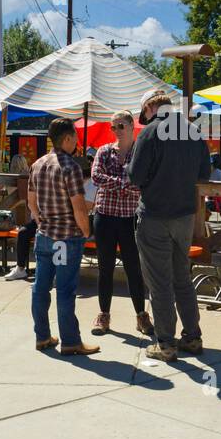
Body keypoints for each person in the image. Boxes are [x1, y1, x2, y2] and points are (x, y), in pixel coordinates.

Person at [128, 90, 211, 362]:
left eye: (144, 114)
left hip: (154, 215)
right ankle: (193, 336)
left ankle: (165, 343)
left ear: (150, 106)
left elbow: (136, 175)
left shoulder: (149, 133)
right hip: (185, 216)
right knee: (182, 278)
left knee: (159, 282)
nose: (144, 118)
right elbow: (204, 174)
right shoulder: (192, 131)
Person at [28, 118, 97, 355]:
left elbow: (31, 202)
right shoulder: (70, 167)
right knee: (65, 290)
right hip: (67, 237)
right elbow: (79, 206)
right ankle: (70, 341)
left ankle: (42, 336)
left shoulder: (37, 164)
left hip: (45, 235)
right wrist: (86, 230)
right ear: (67, 139)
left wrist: (40, 219)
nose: (77, 141)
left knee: (40, 288)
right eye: (75, 137)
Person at [89, 111, 153, 337]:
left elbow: (145, 181)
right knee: (105, 268)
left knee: (133, 269)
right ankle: (103, 314)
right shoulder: (104, 151)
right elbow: (96, 176)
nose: (116, 130)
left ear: (131, 126)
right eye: (113, 127)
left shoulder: (140, 153)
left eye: (120, 126)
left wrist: (117, 184)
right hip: (105, 216)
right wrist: (127, 184)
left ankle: (141, 316)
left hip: (130, 218)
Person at [5, 153, 36, 281]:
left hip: (54, 220)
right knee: (22, 232)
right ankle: (20, 268)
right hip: (35, 217)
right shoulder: (30, 176)